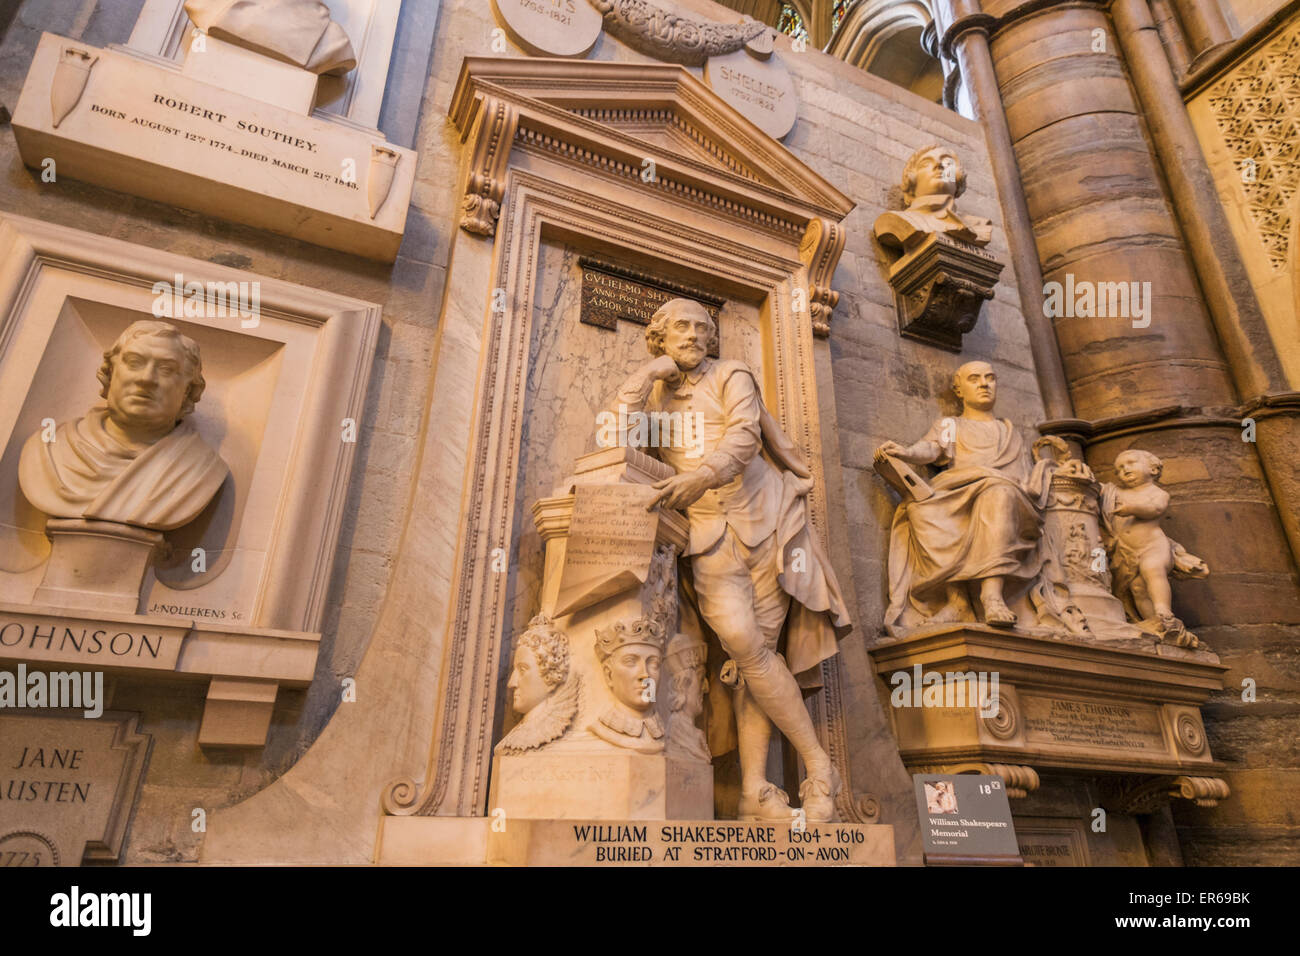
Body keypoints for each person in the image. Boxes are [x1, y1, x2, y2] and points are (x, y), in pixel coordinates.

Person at [609, 298, 851, 822]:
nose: (694, 335)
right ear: (660, 337)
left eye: (703, 327)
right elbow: (613, 440)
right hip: (707, 537)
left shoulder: (732, 375)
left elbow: (744, 436)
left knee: (753, 656)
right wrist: (646, 374)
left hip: (765, 520)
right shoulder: (654, 404)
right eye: (681, 328)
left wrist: (701, 474)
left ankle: (755, 790)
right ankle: (818, 765)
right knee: (746, 646)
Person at [875, 361, 1062, 629]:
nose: (984, 384)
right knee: (919, 509)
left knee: (998, 494)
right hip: (958, 490)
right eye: (974, 379)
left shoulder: (1009, 432)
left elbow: (1026, 479)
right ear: (959, 390)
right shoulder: (951, 425)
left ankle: (992, 594)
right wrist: (906, 453)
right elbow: (931, 448)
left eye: (990, 378)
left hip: (1004, 493)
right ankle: (957, 600)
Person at [19, 320, 228, 531]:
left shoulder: (199, 469)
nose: (146, 379)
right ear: (110, 374)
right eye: (134, 362)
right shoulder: (49, 449)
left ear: (188, 391)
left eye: (166, 369)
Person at [1100, 450, 1208, 645]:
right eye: (1119, 469)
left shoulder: (1157, 493)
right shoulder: (1114, 492)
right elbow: (1097, 492)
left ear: (1153, 468)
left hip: (1153, 546)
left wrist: (1132, 508)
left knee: (1152, 569)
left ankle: (1163, 611)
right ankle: (1154, 623)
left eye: (1130, 463)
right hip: (1126, 552)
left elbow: (1154, 509)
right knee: (1137, 588)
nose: (1124, 470)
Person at [874, 144, 993, 253]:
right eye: (926, 163)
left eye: (948, 163)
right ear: (912, 178)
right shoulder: (895, 222)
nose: (939, 165)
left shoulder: (978, 226)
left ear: (957, 176)